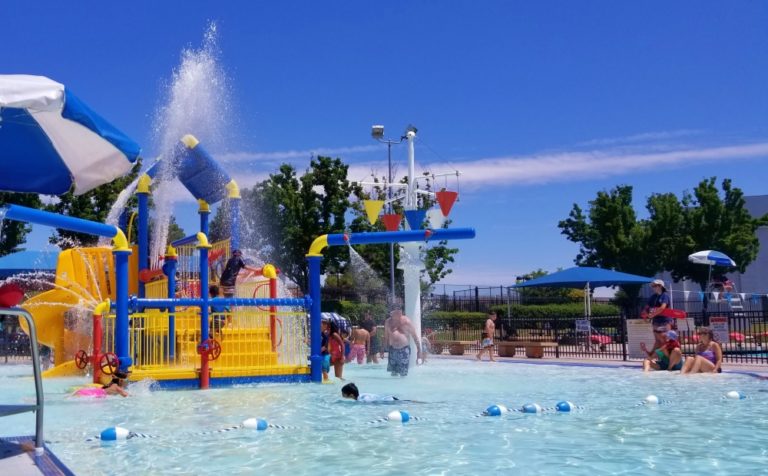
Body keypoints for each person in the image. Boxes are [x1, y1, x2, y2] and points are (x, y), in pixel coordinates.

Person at [384, 309, 423, 377]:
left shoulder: (407, 322)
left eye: (400, 312)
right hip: (392, 350)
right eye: (395, 312)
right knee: (393, 374)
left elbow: (415, 337)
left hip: (404, 350)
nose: (399, 313)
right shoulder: (388, 322)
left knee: (403, 373)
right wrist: (382, 349)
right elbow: (386, 336)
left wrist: (419, 351)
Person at [643, 279, 673, 348]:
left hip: (665, 321)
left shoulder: (665, 295)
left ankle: (667, 357)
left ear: (660, 286)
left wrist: (652, 315)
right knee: (657, 340)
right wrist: (646, 315)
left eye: (655, 285)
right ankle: (655, 356)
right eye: (653, 286)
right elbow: (647, 307)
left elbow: (662, 307)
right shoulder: (653, 297)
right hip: (656, 321)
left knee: (666, 339)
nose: (653, 287)